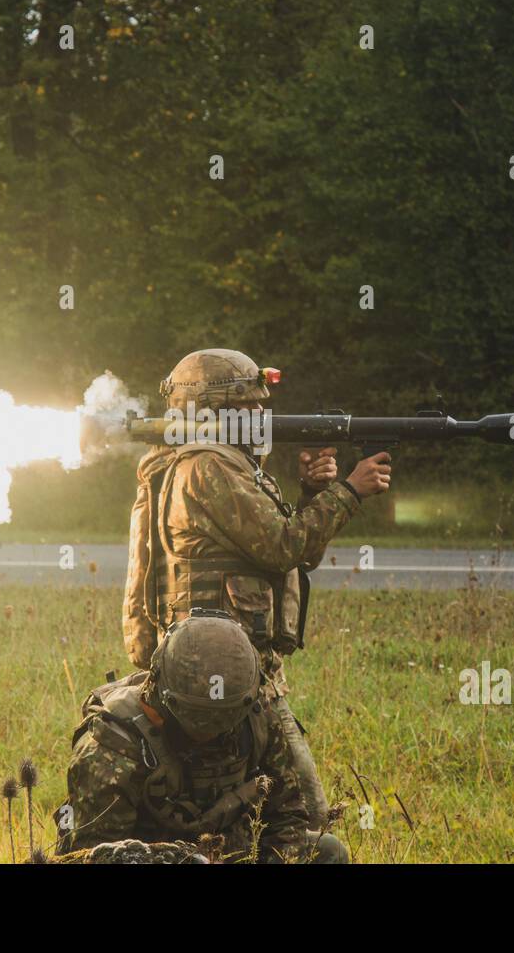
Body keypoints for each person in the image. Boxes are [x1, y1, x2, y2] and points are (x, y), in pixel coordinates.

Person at [122, 348, 392, 826]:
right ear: (214, 411)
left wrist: (313, 493)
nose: (261, 415)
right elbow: (284, 546)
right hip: (226, 674)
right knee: (306, 822)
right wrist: (350, 491)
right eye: (248, 406)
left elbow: (297, 555)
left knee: (251, 822)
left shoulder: (219, 463)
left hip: (225, 669)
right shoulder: (209, 467)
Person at [55, 608, 348, 863]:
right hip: (149, 858)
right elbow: (96, 856)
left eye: (222, 721)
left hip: (231, 850)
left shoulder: (255, 719)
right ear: (160, 692)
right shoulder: (114, 746)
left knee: (327, 851)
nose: (209, 733)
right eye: (197, 721)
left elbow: (287, 821)